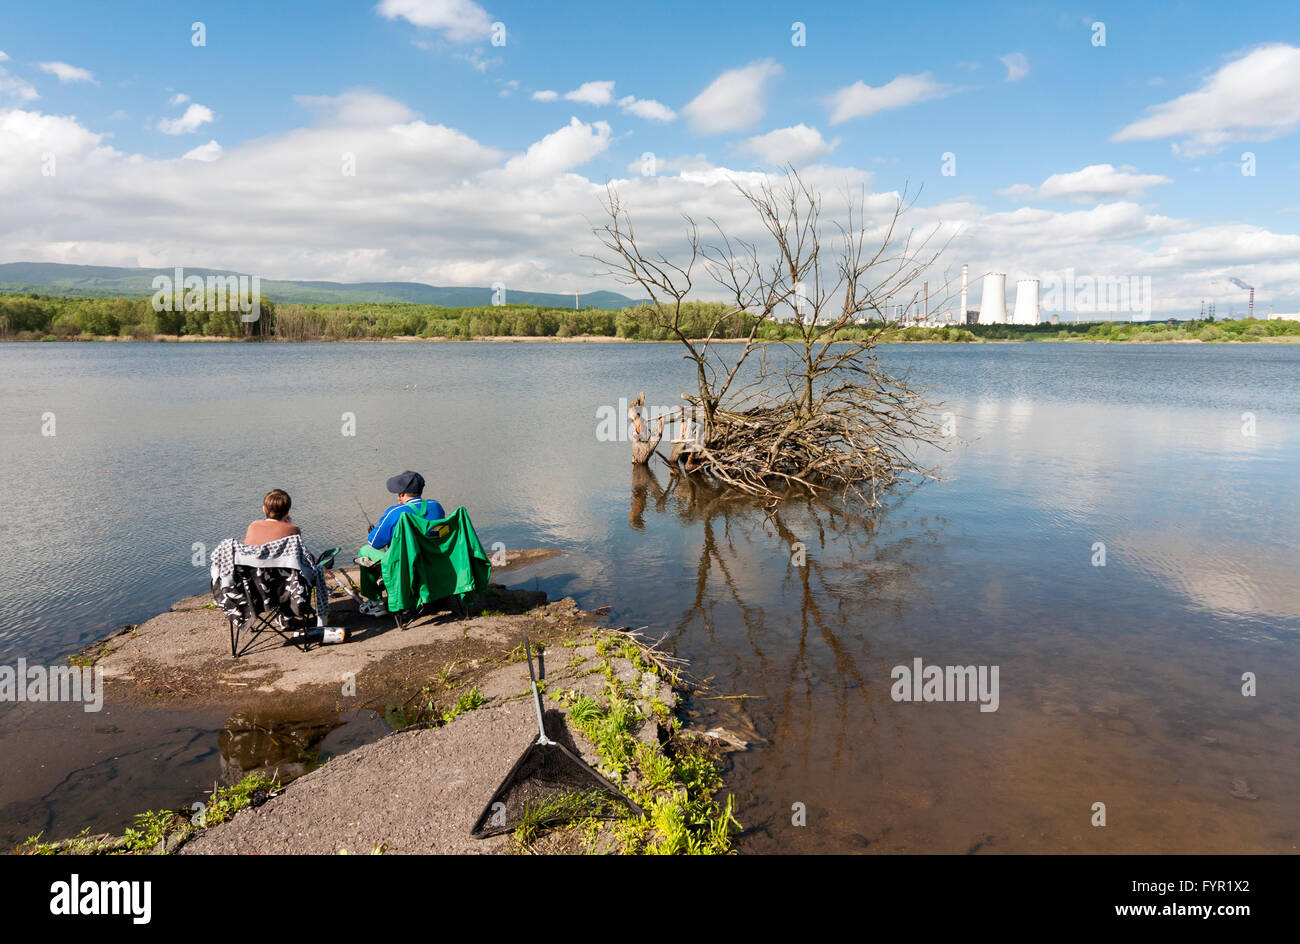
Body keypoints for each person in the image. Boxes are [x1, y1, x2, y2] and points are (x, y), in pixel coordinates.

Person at [363, 471, 446, 550]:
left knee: (365, 550)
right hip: (432, 556)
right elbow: (441, 532)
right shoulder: (436, 506)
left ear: (401, 493)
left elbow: (374, 543)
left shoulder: (395, 512)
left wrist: (372, 532)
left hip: (406, 562)